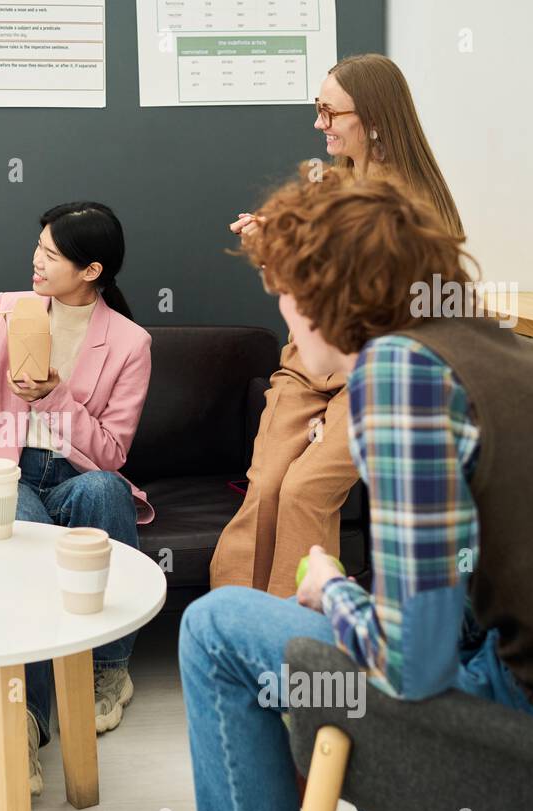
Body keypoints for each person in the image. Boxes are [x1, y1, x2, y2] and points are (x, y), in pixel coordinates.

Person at [180, 168, 533, 811]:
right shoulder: (502, 353)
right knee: (346, 662)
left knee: (216, 627)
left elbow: (413, 665)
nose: (282, 312)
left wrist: (330, 588)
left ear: (318, 297)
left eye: (283, 292)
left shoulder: (399, 375)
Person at [210, 53, 464, 597]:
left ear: (372, 117)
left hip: (374, 375)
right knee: (266, 488)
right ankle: (234, 628)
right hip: (308, 370)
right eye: (317, 108)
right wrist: (272, 240)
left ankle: (299, 649)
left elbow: (392, 307)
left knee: (304, 490)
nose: (318, 123)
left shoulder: (416, 208)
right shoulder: (331, 185)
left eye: (329, 111)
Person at [0, 202, 153, 796]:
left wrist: (55, 397)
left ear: (91, 269)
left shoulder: (130, 343)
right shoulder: (8, 309)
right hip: (6, 469)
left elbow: (109, 454)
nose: (36, 260)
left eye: (52, 254)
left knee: (105, 492)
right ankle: (15, 724)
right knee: (11, 533)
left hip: (78, 473)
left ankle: (108, 672)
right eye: (39, 246)